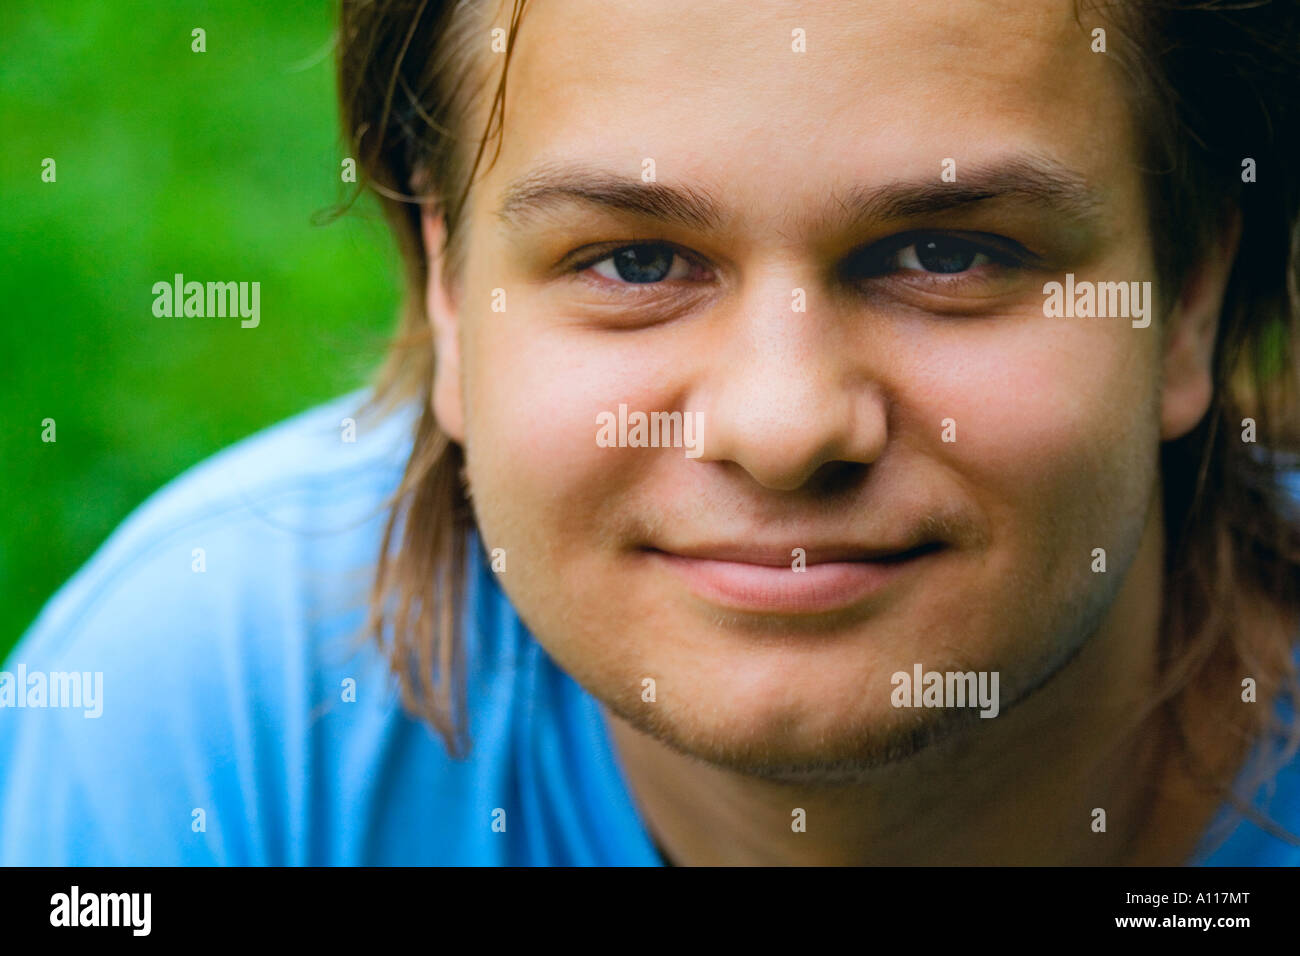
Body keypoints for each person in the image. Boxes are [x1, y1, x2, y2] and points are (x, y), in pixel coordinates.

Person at [3, 0, 1299, 865]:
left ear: (1185, 303)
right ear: (451, 301)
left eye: (944, 253)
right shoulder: (210, 725)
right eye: (632, 261)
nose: (784, 428)